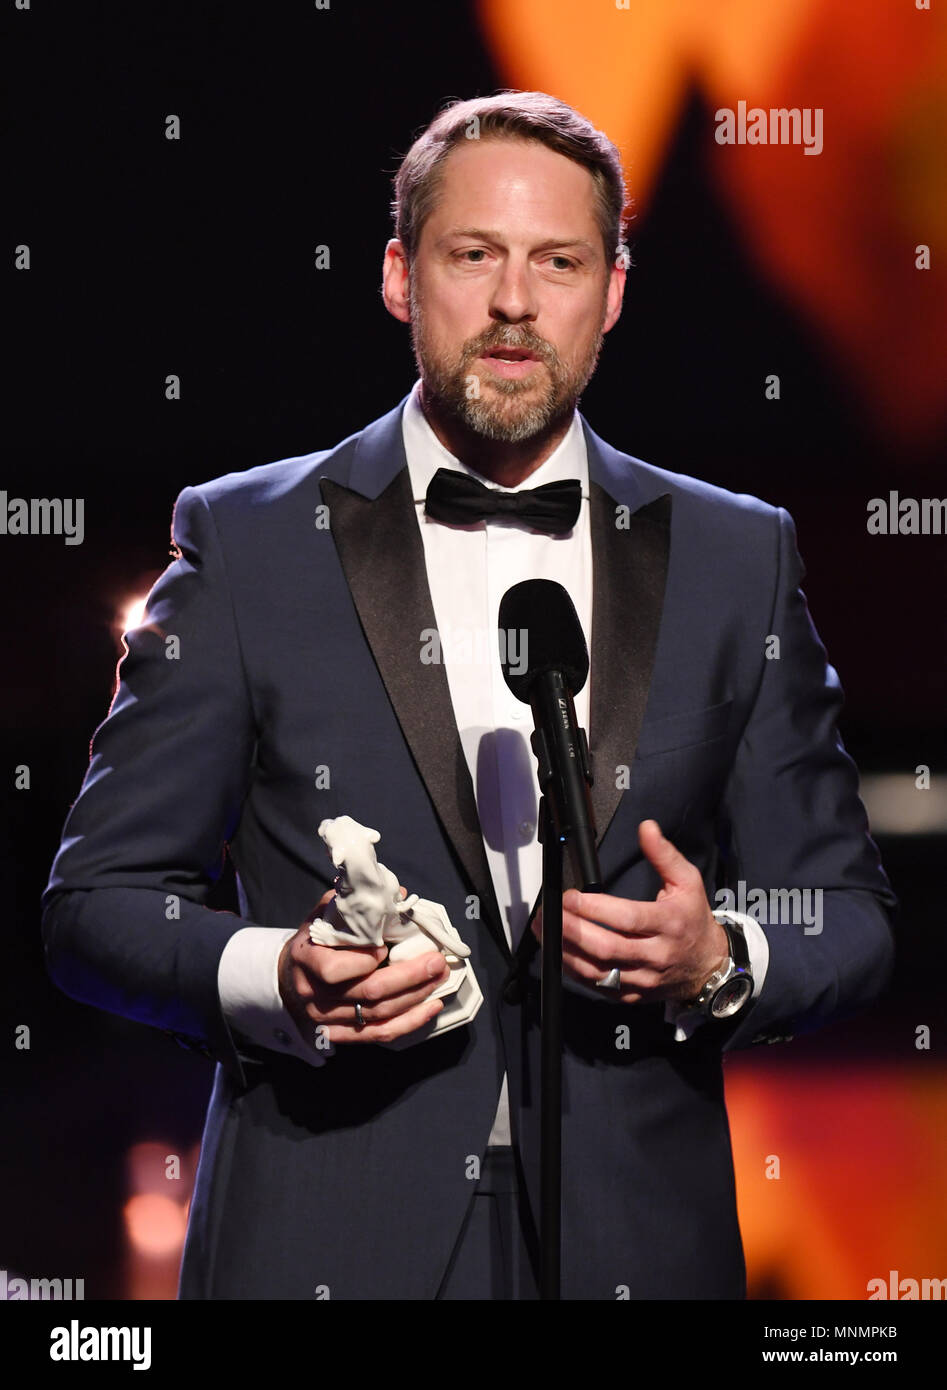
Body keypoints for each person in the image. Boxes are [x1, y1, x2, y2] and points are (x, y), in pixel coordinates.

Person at [42, 91, 896, 1300]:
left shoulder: (735, 555)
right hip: (319, 1241)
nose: (513, 301)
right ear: (398, 276)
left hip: (636, 1247)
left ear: (609, 293)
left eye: (557, 261)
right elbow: (95, 905)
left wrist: (719, 956)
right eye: (472, 255)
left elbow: (849, 916)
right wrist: (273, 972)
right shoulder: (246, 541)